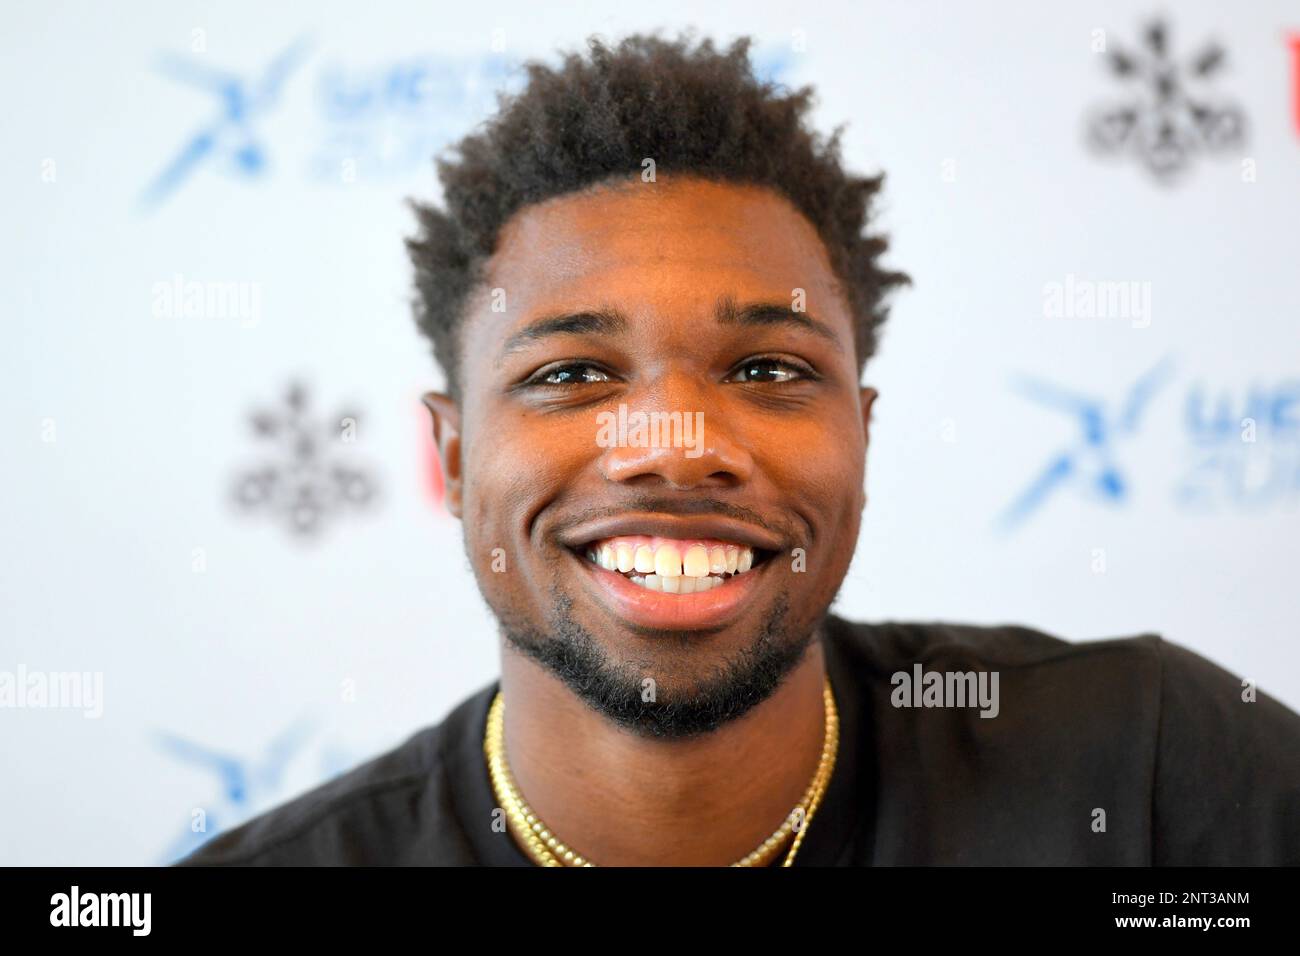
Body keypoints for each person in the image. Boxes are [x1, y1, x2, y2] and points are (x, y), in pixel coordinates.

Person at [179, 31, 1300, 867]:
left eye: (767, 369)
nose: (676, 448)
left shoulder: (1160, 780)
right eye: (572, 372)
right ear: (456, 456)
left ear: (860, 432)